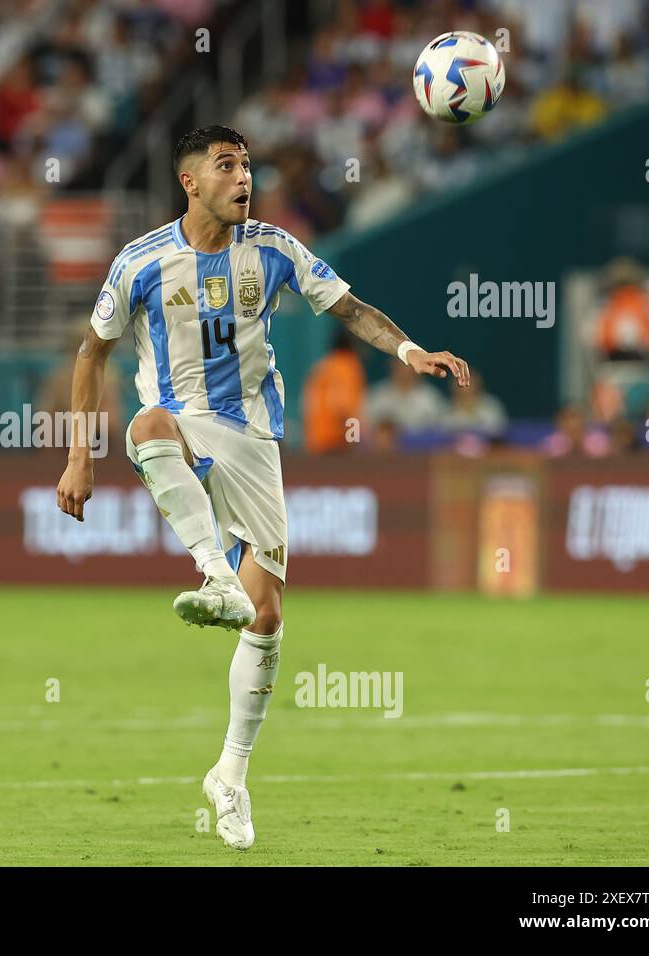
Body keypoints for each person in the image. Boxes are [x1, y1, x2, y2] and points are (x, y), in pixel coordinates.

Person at [55, 125, 469, 851]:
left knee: (268, 618)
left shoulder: (275, 249)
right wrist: (78, 457)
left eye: (247, 164)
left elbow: (353, 311)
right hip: (184, 419)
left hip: (253, 441)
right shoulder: (141, 262)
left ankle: (230, 776)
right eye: (226, 165)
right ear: (191, 182)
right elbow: (92, 355)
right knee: (149, 424)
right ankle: (213, 574)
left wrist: (409, 350)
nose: (244, 176)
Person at [301, 330, 365, 453]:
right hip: (336, 442)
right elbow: (342, 408)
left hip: (316, 440)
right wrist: (353, 440)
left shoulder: (322, 366)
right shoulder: (348, 365)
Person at [366, 356, 449, 434]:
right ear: (392, 365)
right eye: (400, 363)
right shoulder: (377, 396)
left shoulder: (431, 399)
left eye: (408, 365)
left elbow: (443, 432)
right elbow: (364, 430)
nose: (403, 369)